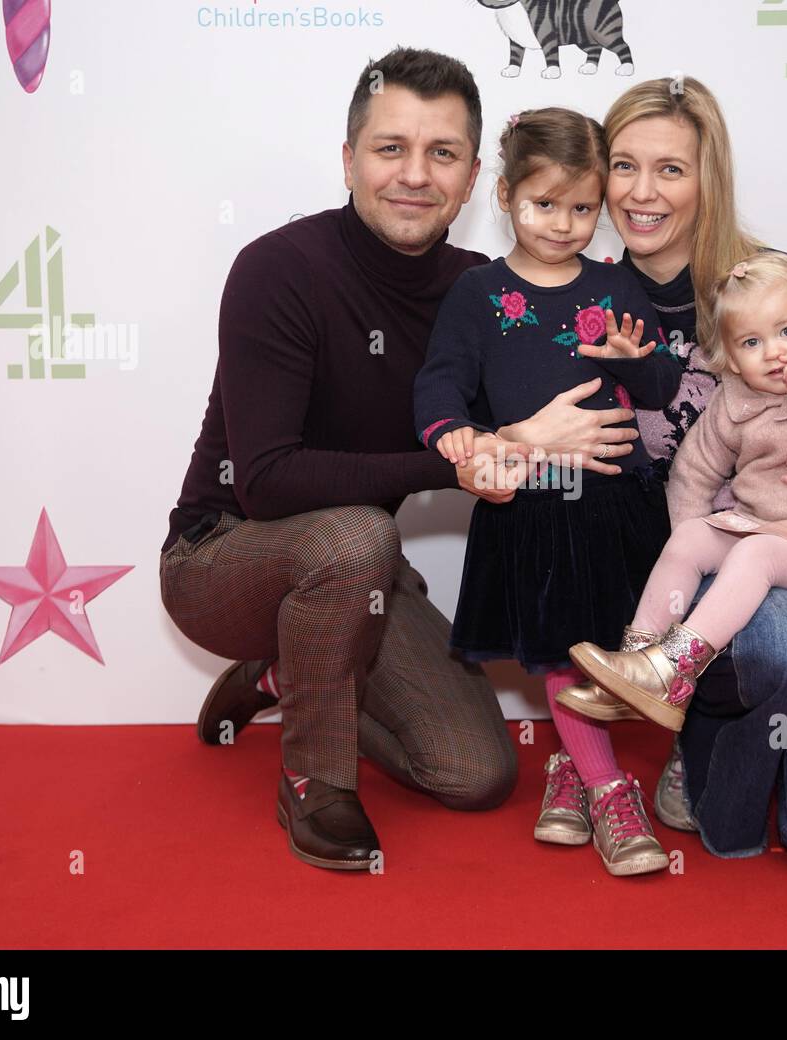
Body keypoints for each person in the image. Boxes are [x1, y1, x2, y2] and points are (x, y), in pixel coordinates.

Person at [498, 76, 787, 882]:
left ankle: (774, 741)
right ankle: (702, 719)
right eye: (623, 166)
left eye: (671, 169)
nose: (642, 192)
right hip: (701, 573)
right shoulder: (586, 300)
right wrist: (510, 442)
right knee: (783, 642)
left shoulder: (778, 288)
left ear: (709, 179)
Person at [158, 48, 541, 870]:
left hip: (354, 573)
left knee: (477, 774)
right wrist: (457, 463)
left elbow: (545, 397)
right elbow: (266, 481)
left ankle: (284, 676)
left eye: (441, 153)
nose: (414, 174)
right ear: (348, 160)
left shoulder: (479, 292)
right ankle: (314, 781)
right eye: (390, 147)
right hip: (222, 557)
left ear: (472, 177)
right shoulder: (279, 269)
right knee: (360, 535)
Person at [413, 107, 683, 876]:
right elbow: (441, 386)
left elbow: (663, 384)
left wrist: (635, 361)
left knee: (614, 651)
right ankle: (608, 791)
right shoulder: (477, 293)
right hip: (535, 504)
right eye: (544, 205)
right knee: (565, 645)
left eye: (582, 208)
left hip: (622, 502)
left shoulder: (616, 281)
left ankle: (568, 766)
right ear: (503, 195)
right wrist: (452, 436)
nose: (564, 224)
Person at [570, 251, 787, 732]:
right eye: (752, 342)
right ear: (730, 356)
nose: (774, 352)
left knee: (758, 552)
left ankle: (671, 671)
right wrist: (697, 550)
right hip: (770, 539)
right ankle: (638, 662)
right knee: (689, 538)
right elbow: (693, 471)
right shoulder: (736, 398)